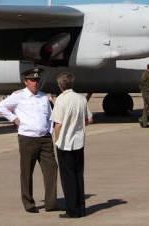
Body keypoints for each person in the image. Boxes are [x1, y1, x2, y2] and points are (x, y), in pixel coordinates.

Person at [0, 68, 58, 213]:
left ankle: (51, 203)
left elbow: (50, 116)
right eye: (32, 80)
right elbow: (0, 107)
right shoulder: (18, 96)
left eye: (37, 80)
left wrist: (50, 131)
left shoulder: (44, 97)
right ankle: (29, 203)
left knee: (51, 170)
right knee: (27, 172)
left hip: (45, 139)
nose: (35, 83)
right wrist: (14, 119)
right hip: (27, 139)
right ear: (26, 81)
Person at [51, 72, 92, 219]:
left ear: (60, 85)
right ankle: (81, 208)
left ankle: (72, 210)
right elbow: (89, 119)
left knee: (67, 178)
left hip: (65, 143)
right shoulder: (81, 98)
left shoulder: (61, 100)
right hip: (79, 142)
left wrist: (56, 140)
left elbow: (58, 124)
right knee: (78, 175)